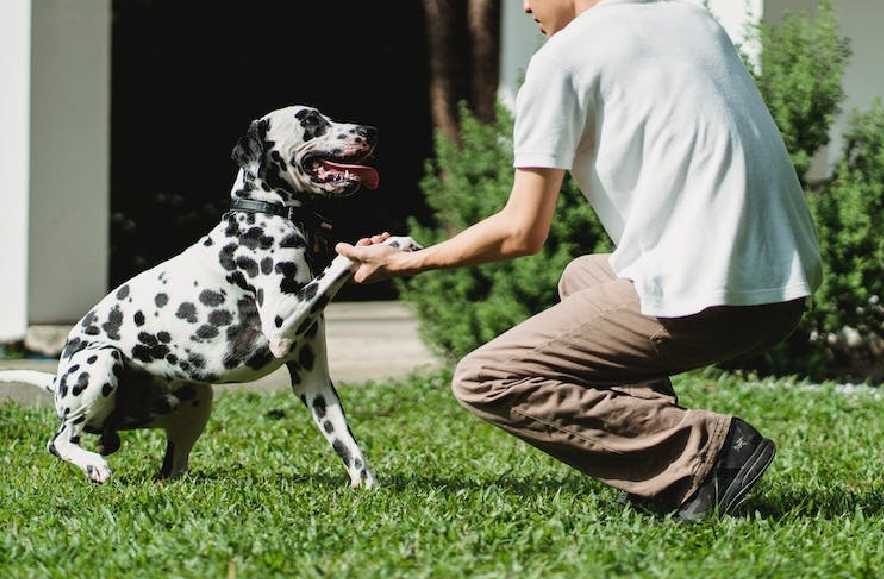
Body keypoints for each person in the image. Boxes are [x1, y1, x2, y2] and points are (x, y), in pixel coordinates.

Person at [335, 0, 823, 521]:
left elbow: (522, 231)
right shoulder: (691, 18)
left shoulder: (563, 59)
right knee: (584, 277)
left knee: (485, 378)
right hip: (785, 288)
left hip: (718, 301)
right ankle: (670, 475)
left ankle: (704, 452)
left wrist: (409, 263)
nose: (525, 6)